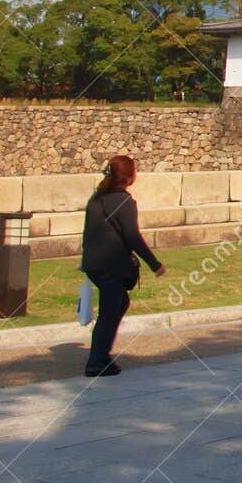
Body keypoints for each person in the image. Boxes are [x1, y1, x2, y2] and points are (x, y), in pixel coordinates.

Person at [79, 155, 166, 378]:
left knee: (119, 303)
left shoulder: (96, 198)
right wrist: (154, 264)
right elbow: (132, 237)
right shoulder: (124, 202)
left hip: (94, 264)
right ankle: (96, 361)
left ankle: (103, 355)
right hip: (112, 265)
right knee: (109, 312)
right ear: (129, 176)